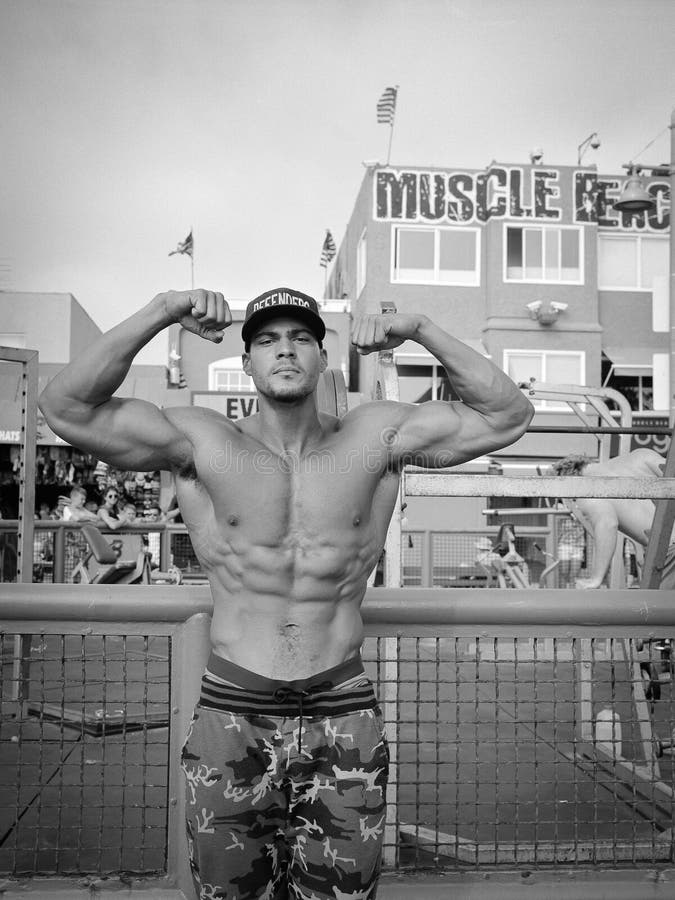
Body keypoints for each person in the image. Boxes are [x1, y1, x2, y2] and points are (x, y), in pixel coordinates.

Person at [39, 286, 533, 900]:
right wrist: (163, 311)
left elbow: (507, 415)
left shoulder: (376, 437)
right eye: (268, 339)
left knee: (342, 895)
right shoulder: (200, 441)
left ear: (322, 357)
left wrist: (422, 327)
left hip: (342, 712)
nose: (285, 350)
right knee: (230, 895)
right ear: (246, 362)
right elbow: (65, 407)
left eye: (301, 337)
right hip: (233, 712)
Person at [551, 448, 673, 589]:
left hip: (668, 550)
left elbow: (607, 524)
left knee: (659, 608)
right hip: (663, 546)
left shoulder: (589, 492)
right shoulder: (640, 455)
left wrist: (596, 579)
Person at [555, 507, 586, 588]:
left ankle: (573, 595)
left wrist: (577, 512)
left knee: (574, 575)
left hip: (578, 546)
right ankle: (562, 595)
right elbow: (557, 507)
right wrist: (570, 510)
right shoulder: (561, 505)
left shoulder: (581, 504)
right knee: (563, 573)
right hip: (564, 545)